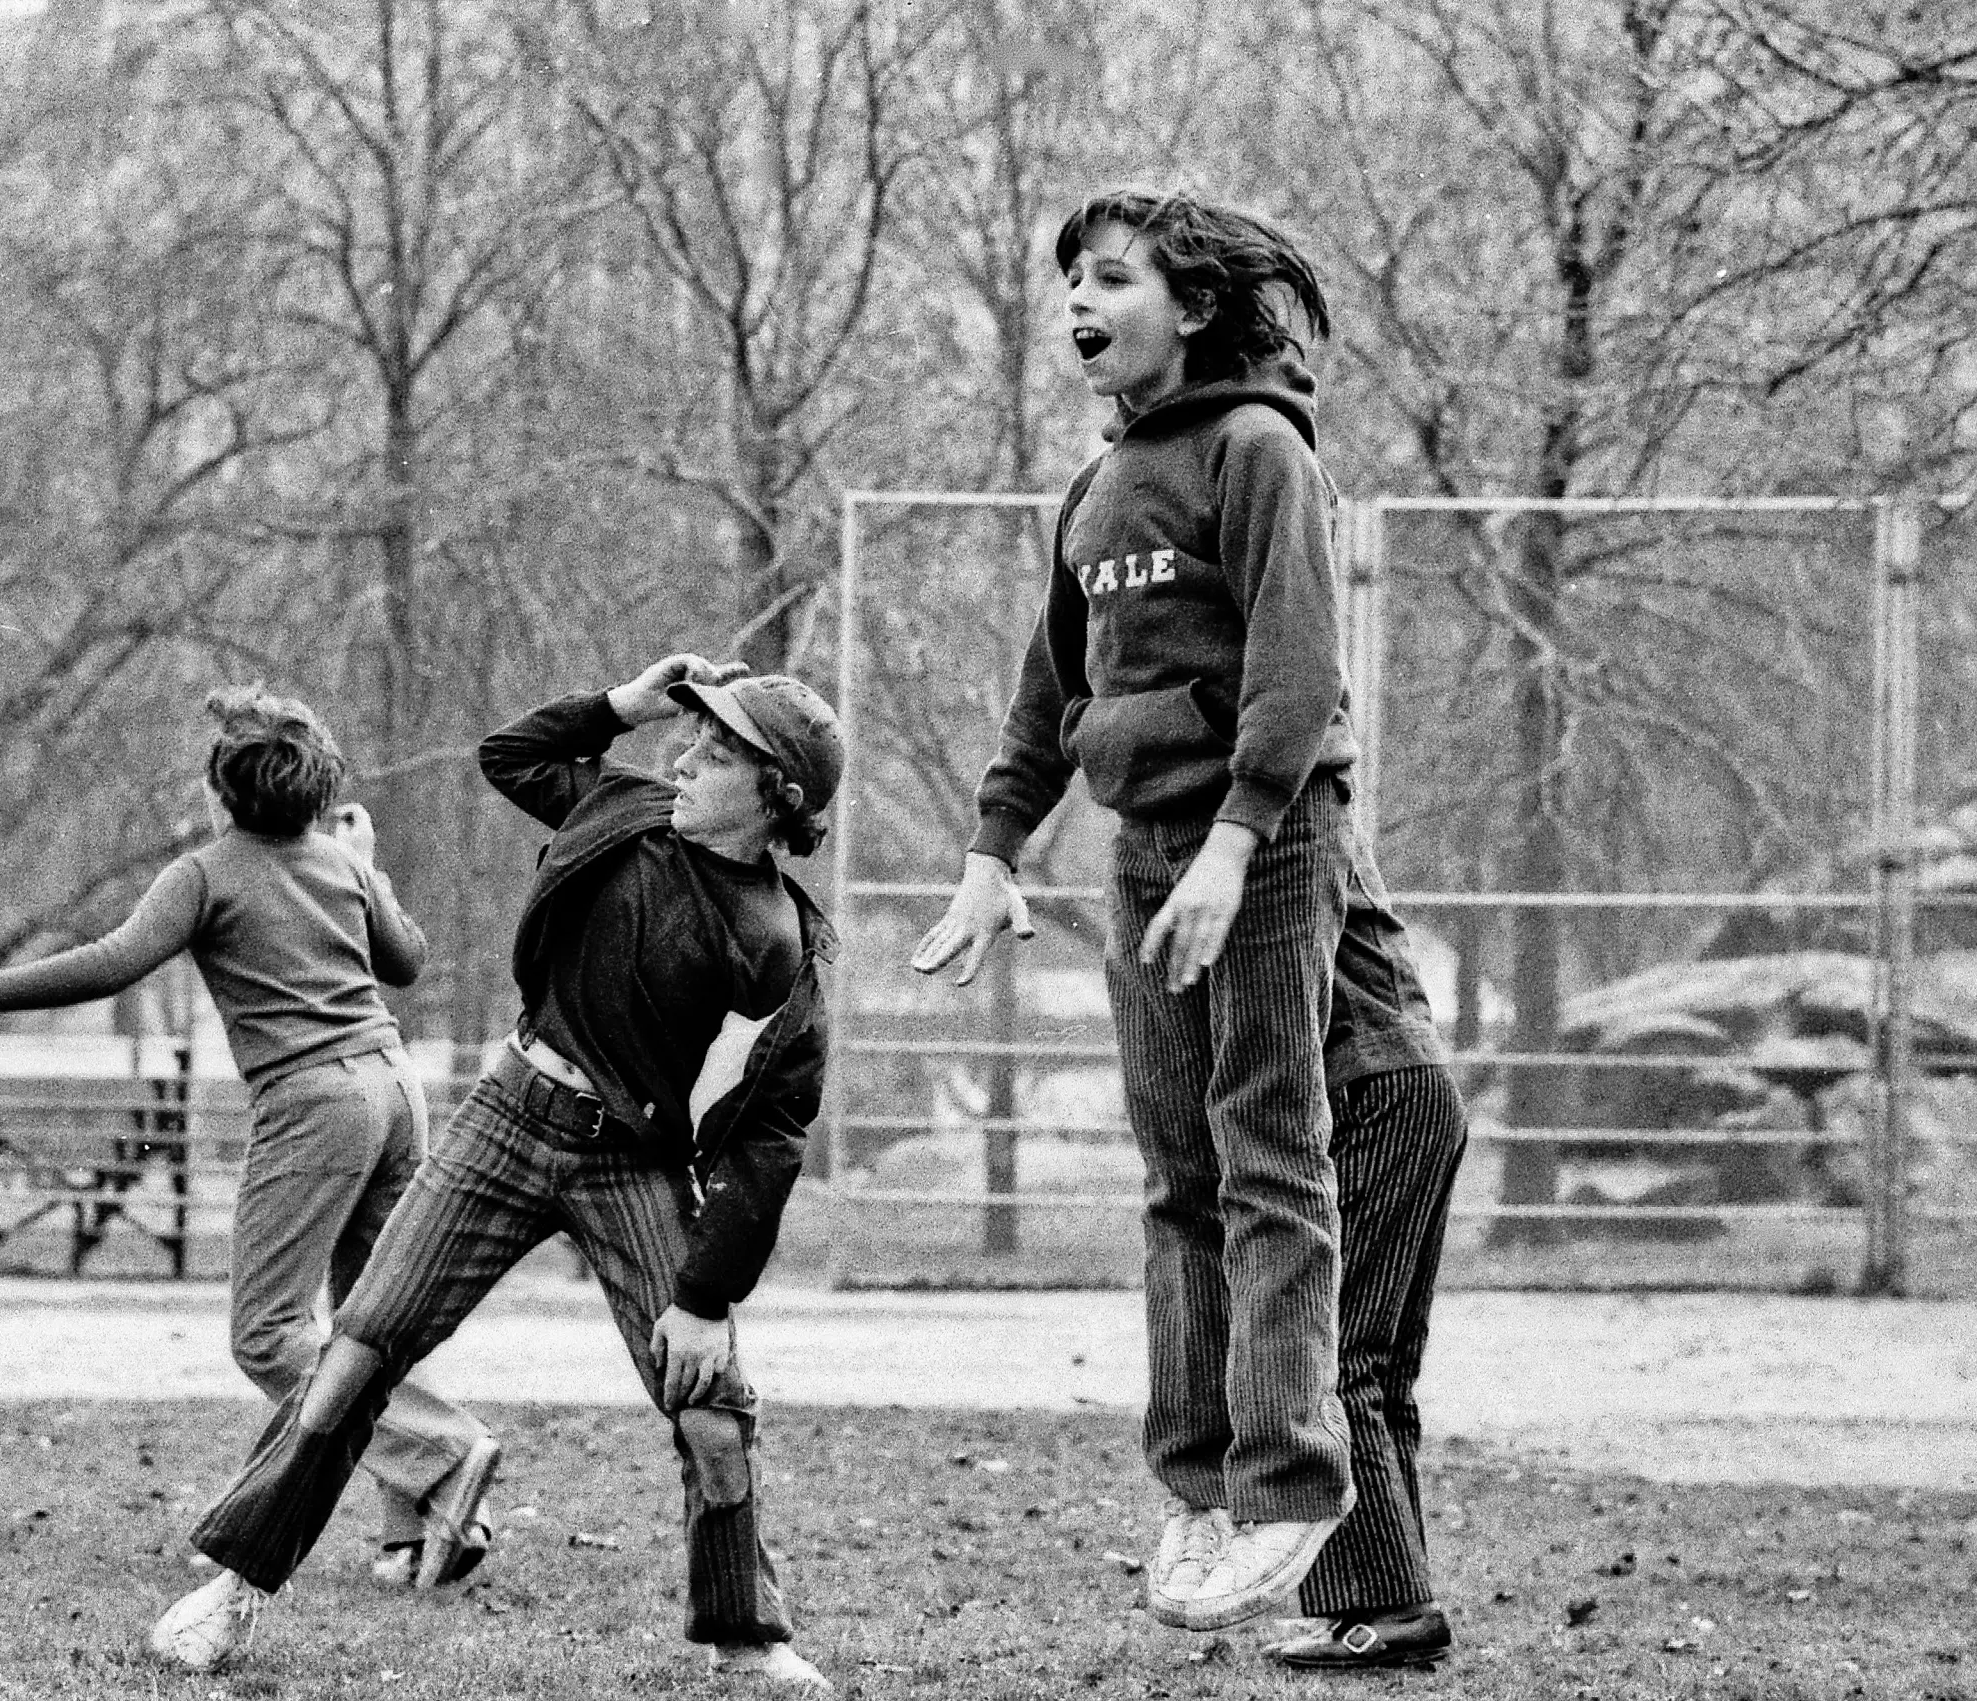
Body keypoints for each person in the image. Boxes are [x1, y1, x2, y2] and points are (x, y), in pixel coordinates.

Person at [912, 187, 1459, 1648]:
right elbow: (1053, 696)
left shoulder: (1258, 450)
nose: (1081, 307)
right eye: (1072, 286)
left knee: (1267, 1148)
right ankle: (1205, 1485)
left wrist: (1236, 842)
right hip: (1141, 845)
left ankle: (1292, 1482)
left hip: (1262, 843)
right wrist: (991, 850)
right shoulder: (1093, 493)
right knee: (1173, 1172)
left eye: (1111, 280)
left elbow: (1298, 677)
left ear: (1195, 305)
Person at [146, 655, 843, 1693]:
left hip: (628, 1165)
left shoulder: (776, 942)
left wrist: (704, 1298)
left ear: (777, 794)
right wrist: (622, 705)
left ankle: (749, 1642)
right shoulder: (623, 807)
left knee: (710, 1408)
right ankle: (233, 1593)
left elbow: (768, 1141)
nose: (686, 758)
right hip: (503, 1119)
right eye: (690, 738)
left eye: (718, 751)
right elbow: (509, 755)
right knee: (353, 1359)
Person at [0, 685, 501, 1591]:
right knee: (374, 1323)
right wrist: (368, 868)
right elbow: (405, 962)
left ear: (224, 793)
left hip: (316, 1101)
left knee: (266, 1333)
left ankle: (444, 1445)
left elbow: (114, 961)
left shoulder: (206, 873)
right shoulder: (339, 862)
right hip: (395, 1084)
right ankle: (412, 1536)